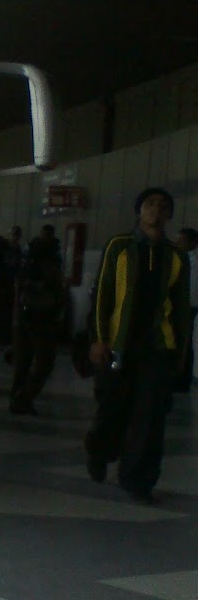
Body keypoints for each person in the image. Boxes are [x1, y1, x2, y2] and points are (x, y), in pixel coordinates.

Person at [84, 187, 191, 503]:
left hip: (157, 349)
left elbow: (181, 308)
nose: (155, 210)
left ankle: (138, 479)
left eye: (162, 206)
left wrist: (180, 355)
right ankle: (99, 452)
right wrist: (99, 339)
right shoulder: (119, 247)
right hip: (119, 344)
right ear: (139, 211)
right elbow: (103, 295)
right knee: (112, 409)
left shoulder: (176, 257)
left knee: (150, 416)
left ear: (169, 215)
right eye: (149, 204)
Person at [9, 225, 68, 414]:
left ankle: (17, 398)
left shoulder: (27, 262)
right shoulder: (48, 264)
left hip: (26, 313)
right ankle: (24, 397)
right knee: (45, 361)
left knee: (23, 361)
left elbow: (18, 288)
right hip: (43, 317)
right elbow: (58, 291)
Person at [177, 226, 198, 394]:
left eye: (182, 240)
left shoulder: (193, 262)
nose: (178, 243)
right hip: (184, 307)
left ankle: (182, 380)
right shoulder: (183, 259)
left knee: (184, 343)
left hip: (188, 308)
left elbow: (191, 290)